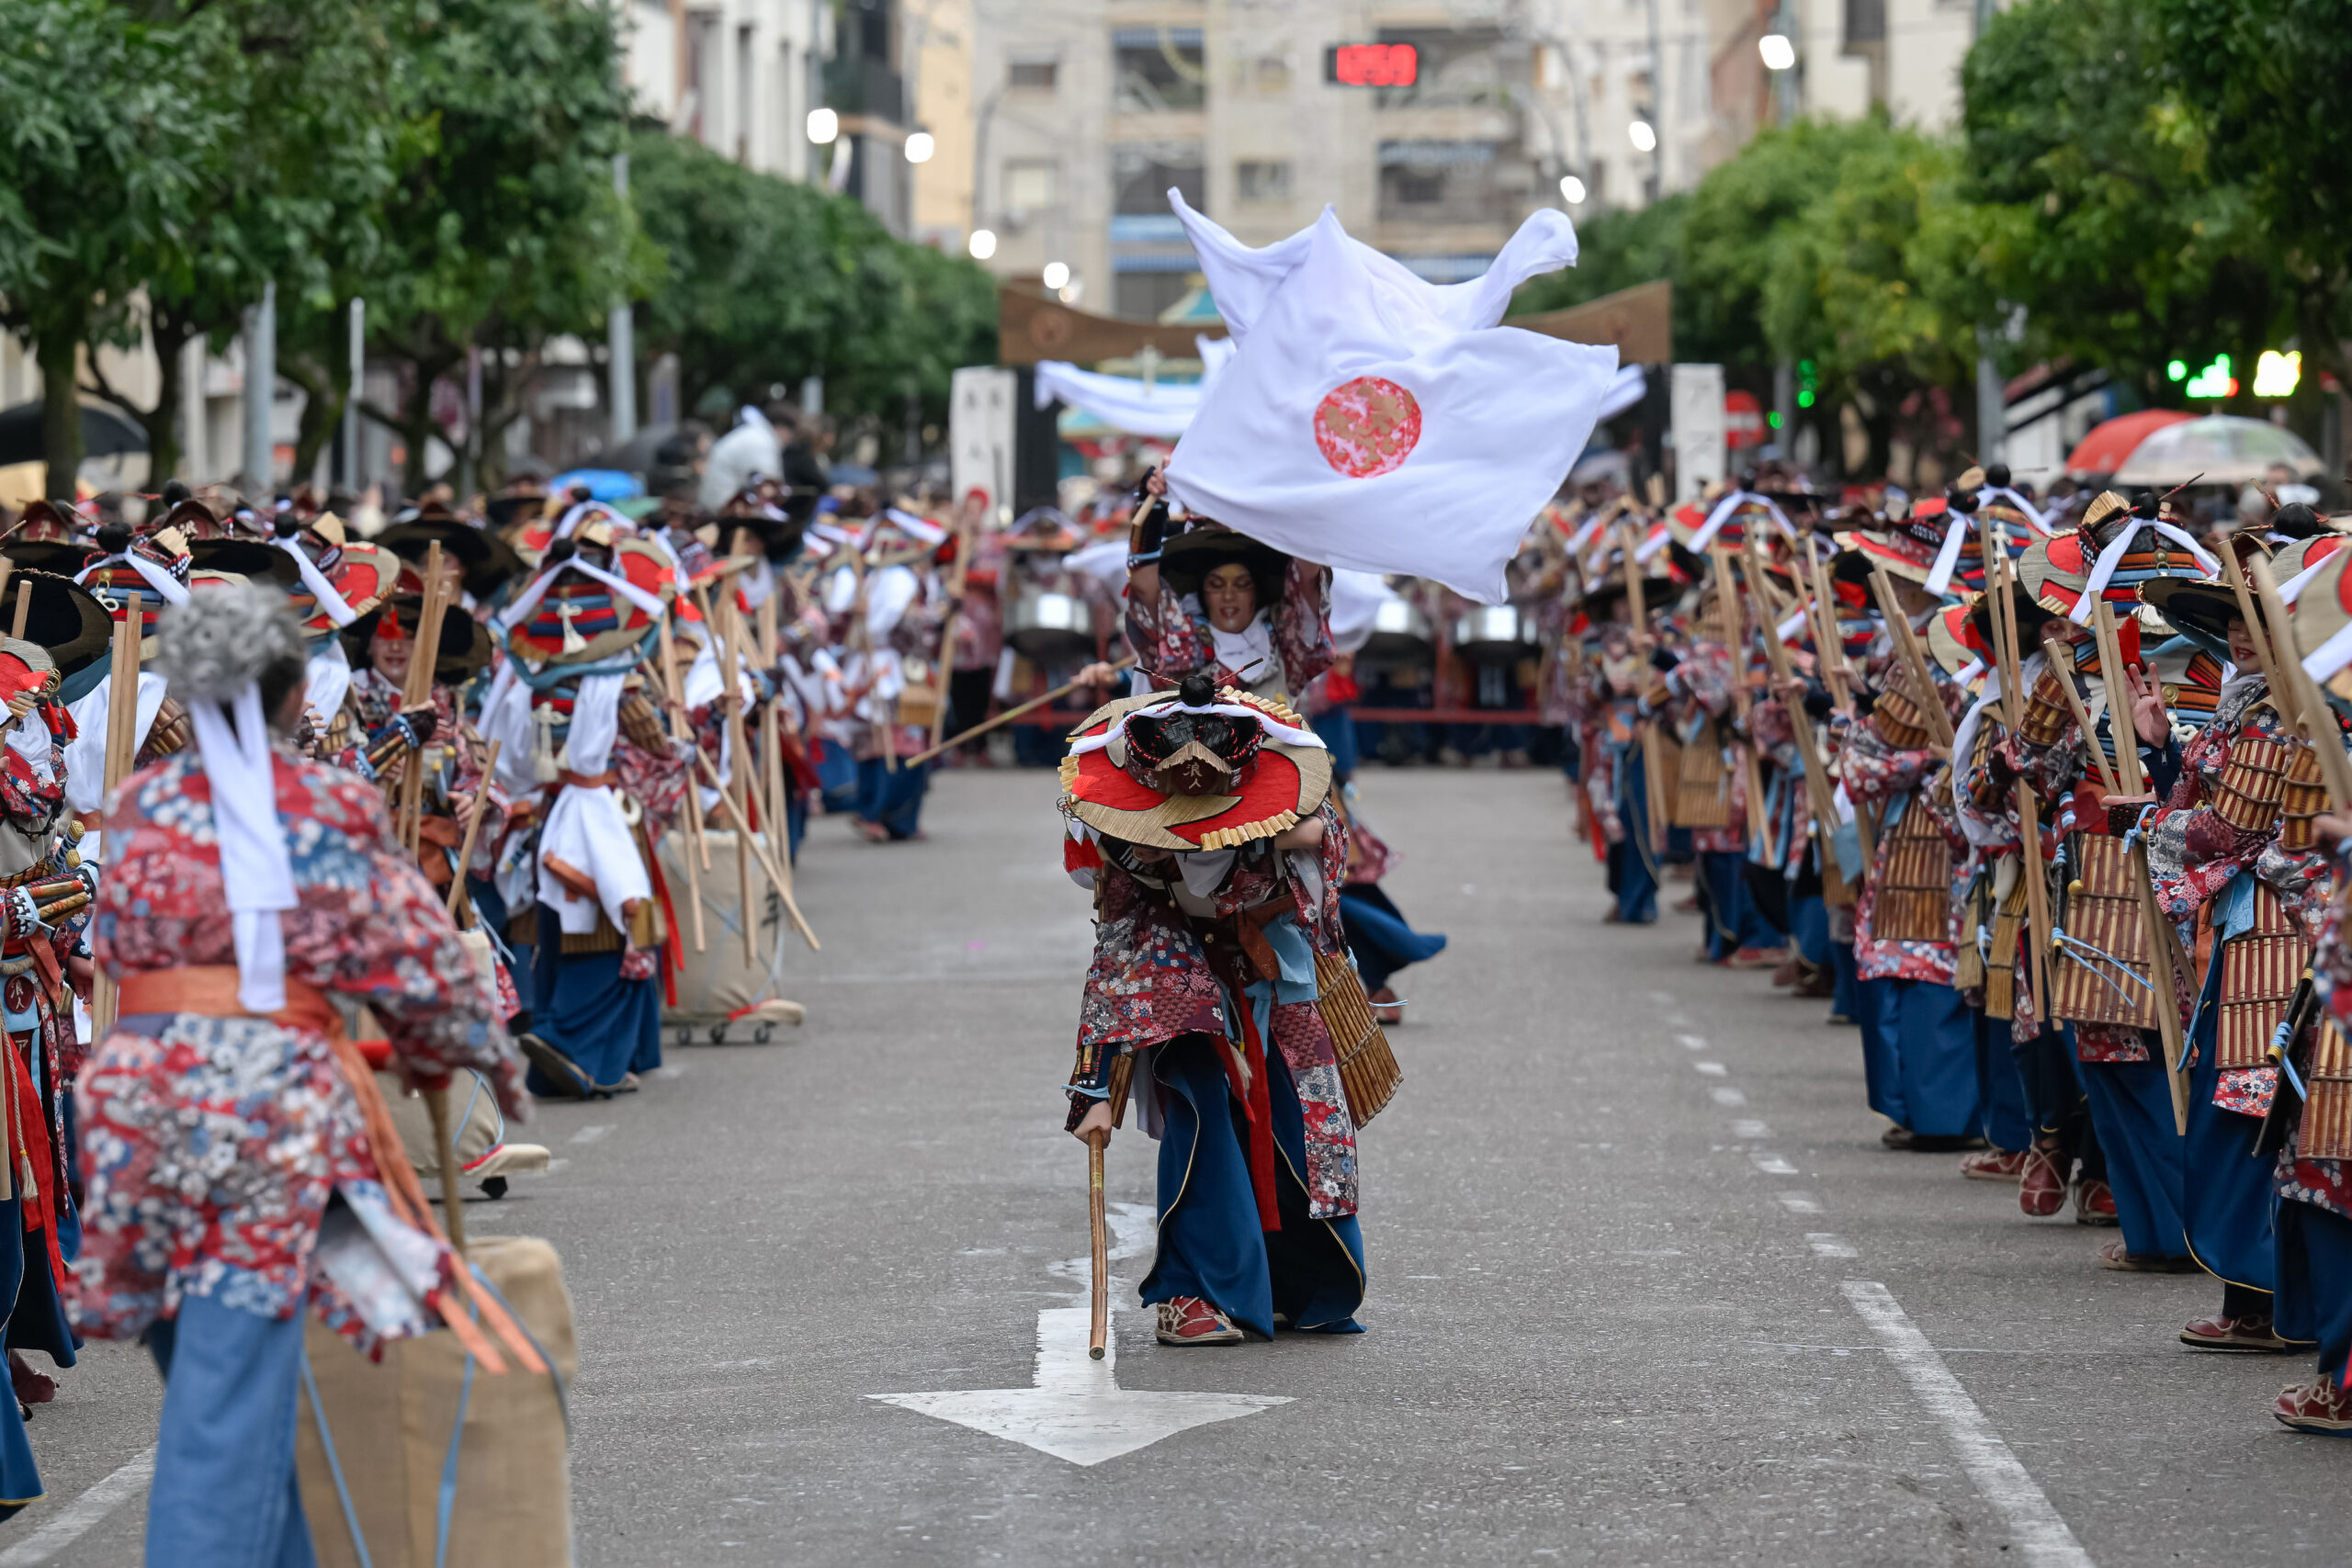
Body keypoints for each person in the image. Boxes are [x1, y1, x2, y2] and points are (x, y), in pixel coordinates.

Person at [74, 581, 526, 1566]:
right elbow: (408, 959)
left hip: (131, 1113)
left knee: (227, 1375)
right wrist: (477, 1052)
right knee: (236, 1400)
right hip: (260, 1116)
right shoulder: (321, 796)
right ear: (290, 697)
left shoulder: (140, 802)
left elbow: (111, 945)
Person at [1060, 674, 1364, 1344]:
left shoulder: (1292, 829)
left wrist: (1295, 838)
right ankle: (1186, 1291)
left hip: (1270, 983)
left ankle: (1296, 1281)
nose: (1196, 785)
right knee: (1199, 1108)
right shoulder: (1131, 857)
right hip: (1181, 987)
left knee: (1301, 1125)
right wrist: (1092, 1088)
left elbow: (1330, 877)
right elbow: (1115, 971)